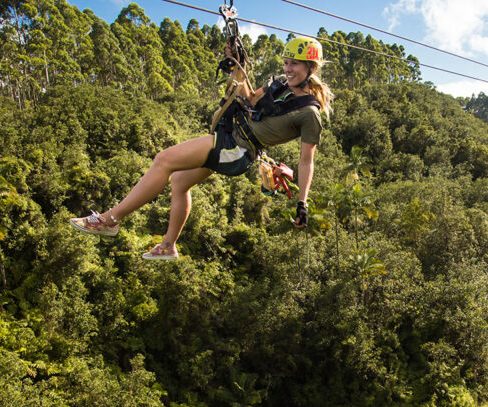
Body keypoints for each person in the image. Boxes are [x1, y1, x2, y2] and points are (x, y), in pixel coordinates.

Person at [68, 36, 334, 260]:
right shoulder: (279, 85)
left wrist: (303, 203)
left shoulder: (309, 114)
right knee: (179, 182)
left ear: (311, 67)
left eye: (295, 64)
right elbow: (249, 97)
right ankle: (168, 246)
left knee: (163, 160)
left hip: (237, 149)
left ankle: (109, 220)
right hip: (232, 138)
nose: (288, 69)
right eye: (286, 63)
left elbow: (306, 161)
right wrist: (237, 66)